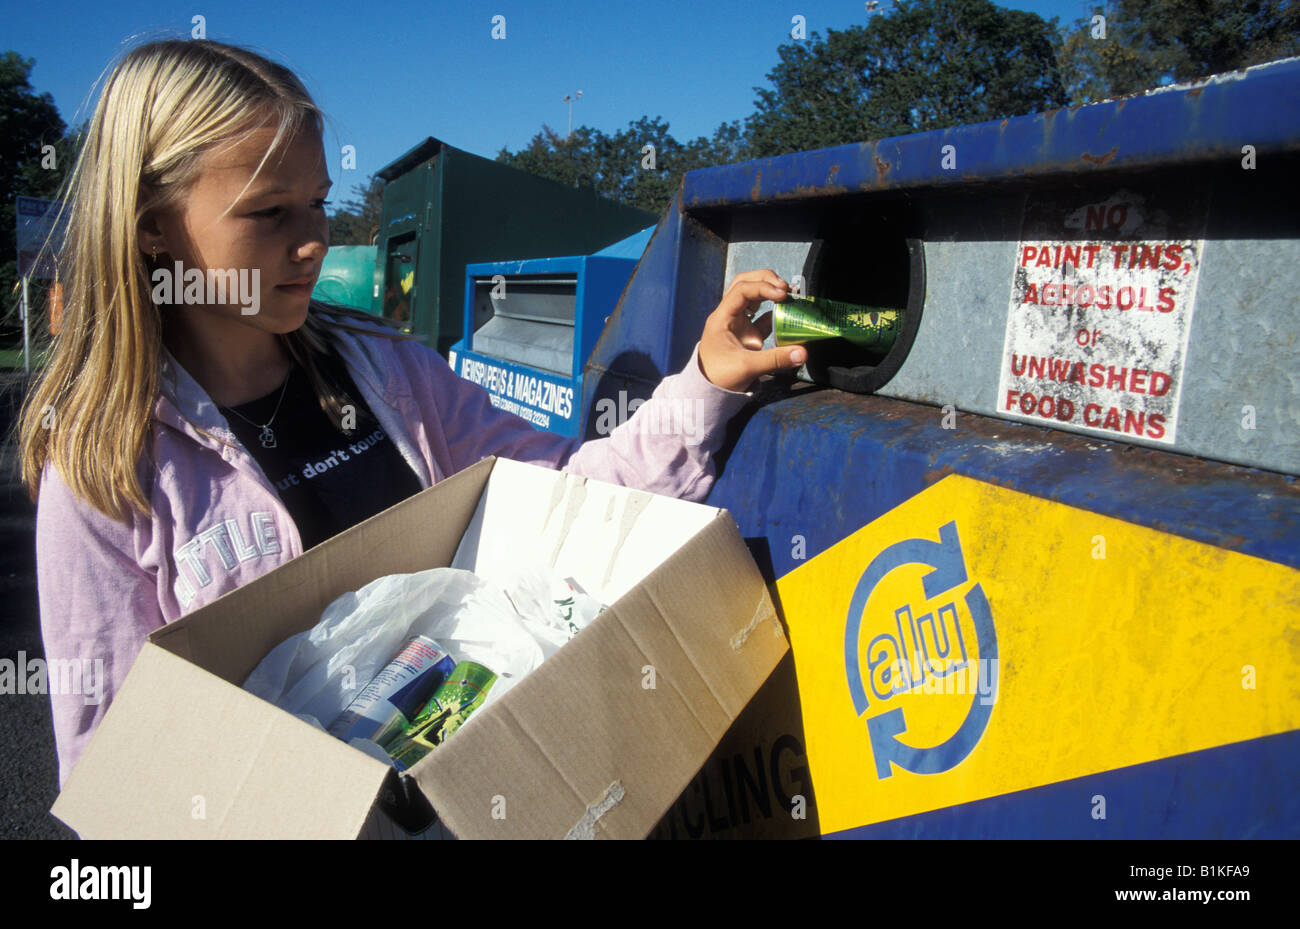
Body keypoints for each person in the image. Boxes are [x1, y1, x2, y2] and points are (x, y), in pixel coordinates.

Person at [16, 39, 807, 791]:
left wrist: (706, 379)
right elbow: (113, 768)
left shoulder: (389, 370)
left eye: (320, 203)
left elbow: (571, 497)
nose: (314, 242)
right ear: (153, 224)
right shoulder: (104, 469)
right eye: (268, 212)